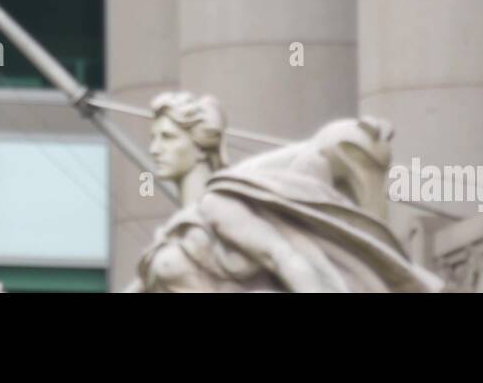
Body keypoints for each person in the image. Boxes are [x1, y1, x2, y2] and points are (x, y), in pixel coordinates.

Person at [130, 92, 442, 293]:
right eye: (154, 138)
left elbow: (284, 257)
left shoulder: (218, 204)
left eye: (167, 138)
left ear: (200, 145)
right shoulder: (172, 238)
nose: (155, 149)